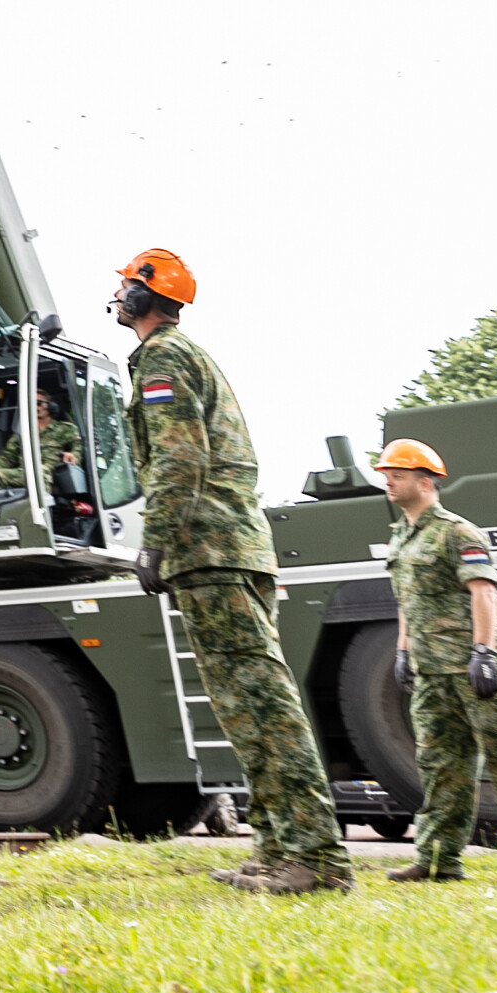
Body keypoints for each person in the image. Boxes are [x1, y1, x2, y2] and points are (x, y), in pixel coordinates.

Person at [117, 248, 351, 894]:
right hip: (218, 550)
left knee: (263, 703)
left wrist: (156, 543)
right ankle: (279, 853)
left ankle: (320, 860)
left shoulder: (165, 358)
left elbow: (180, 460)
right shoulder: (171, 358)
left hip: (211, 548)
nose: (115, 299)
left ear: (144, 298)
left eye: (122, 289)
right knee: (244, 710)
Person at [365, 440, 497, 881]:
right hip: (431, 671)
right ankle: (438, 862)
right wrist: (402, 650)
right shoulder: (401, 534)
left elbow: (484, 592)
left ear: (425, 481)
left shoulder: (458, 532)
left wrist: (484, 652)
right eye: (386, 474)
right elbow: (406, 600)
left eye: (397, 474)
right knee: (440, 767)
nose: (388, 481)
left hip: (475, 669)